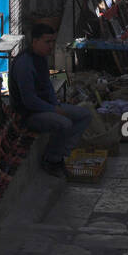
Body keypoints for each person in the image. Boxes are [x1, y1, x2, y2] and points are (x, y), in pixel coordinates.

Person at [9, 23, 91, 176]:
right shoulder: (24, 64)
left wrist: (56, 104)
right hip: (28, 114)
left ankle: (60, 154)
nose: (51, 46)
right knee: (64, 123)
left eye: (53, 41)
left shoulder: (41, 59)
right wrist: (54, 110)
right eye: (47, 42)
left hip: (46, 108)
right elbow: (29, 100)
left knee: (85, 115)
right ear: (35, 41)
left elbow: (47, 87)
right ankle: (51, 159)